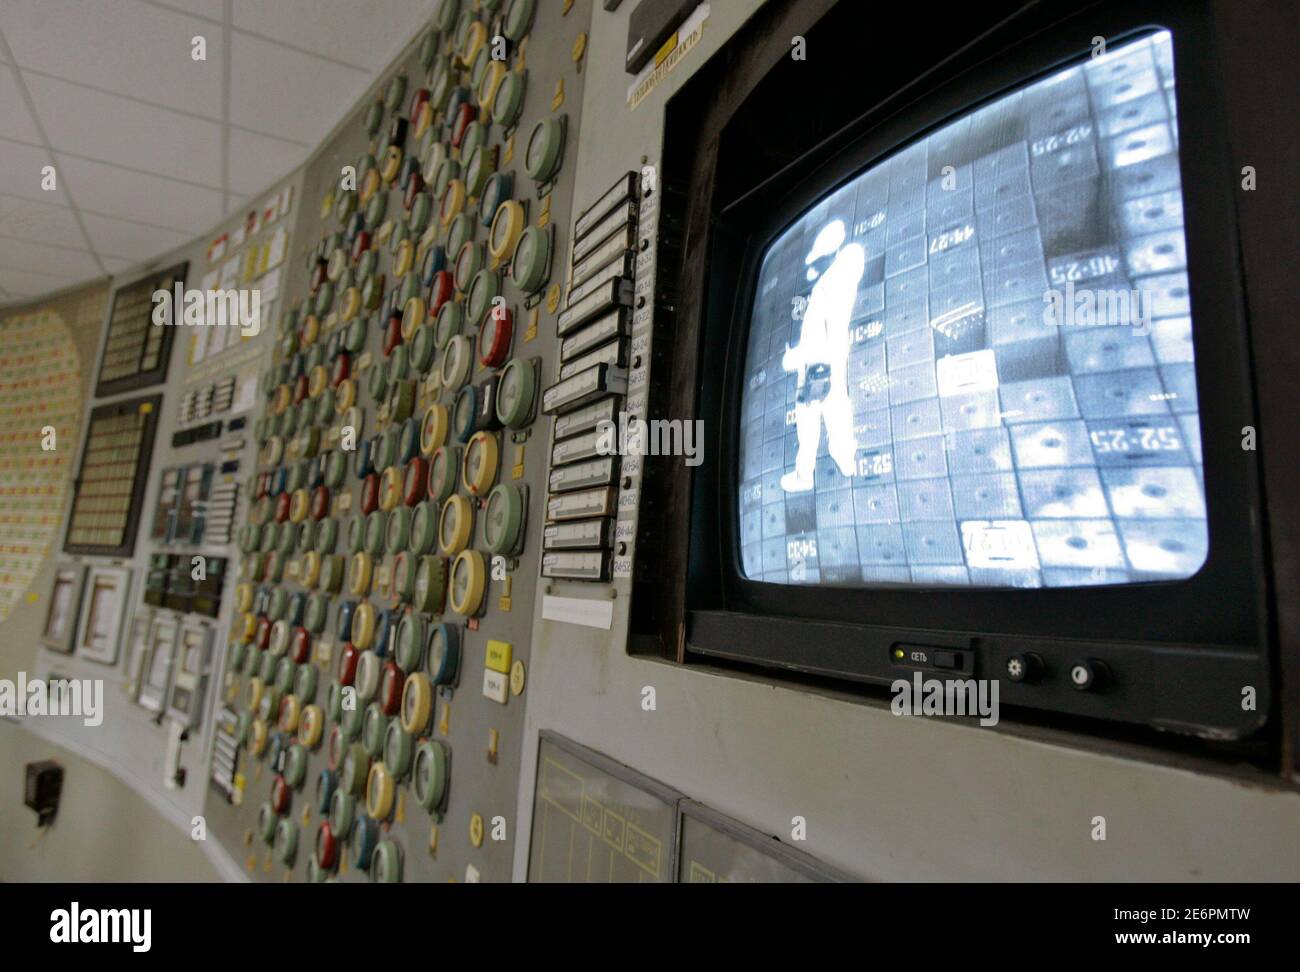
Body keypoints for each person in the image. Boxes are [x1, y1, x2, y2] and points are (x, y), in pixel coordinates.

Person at [780, 219, 865, 492]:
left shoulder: (833, 280)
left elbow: (818, 333)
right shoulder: (833, 279)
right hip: (828, 356)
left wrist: (794, 359)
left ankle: (805, 475)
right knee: (835, 408)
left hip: (817, 360)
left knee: (811, 418)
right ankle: (845, 460)